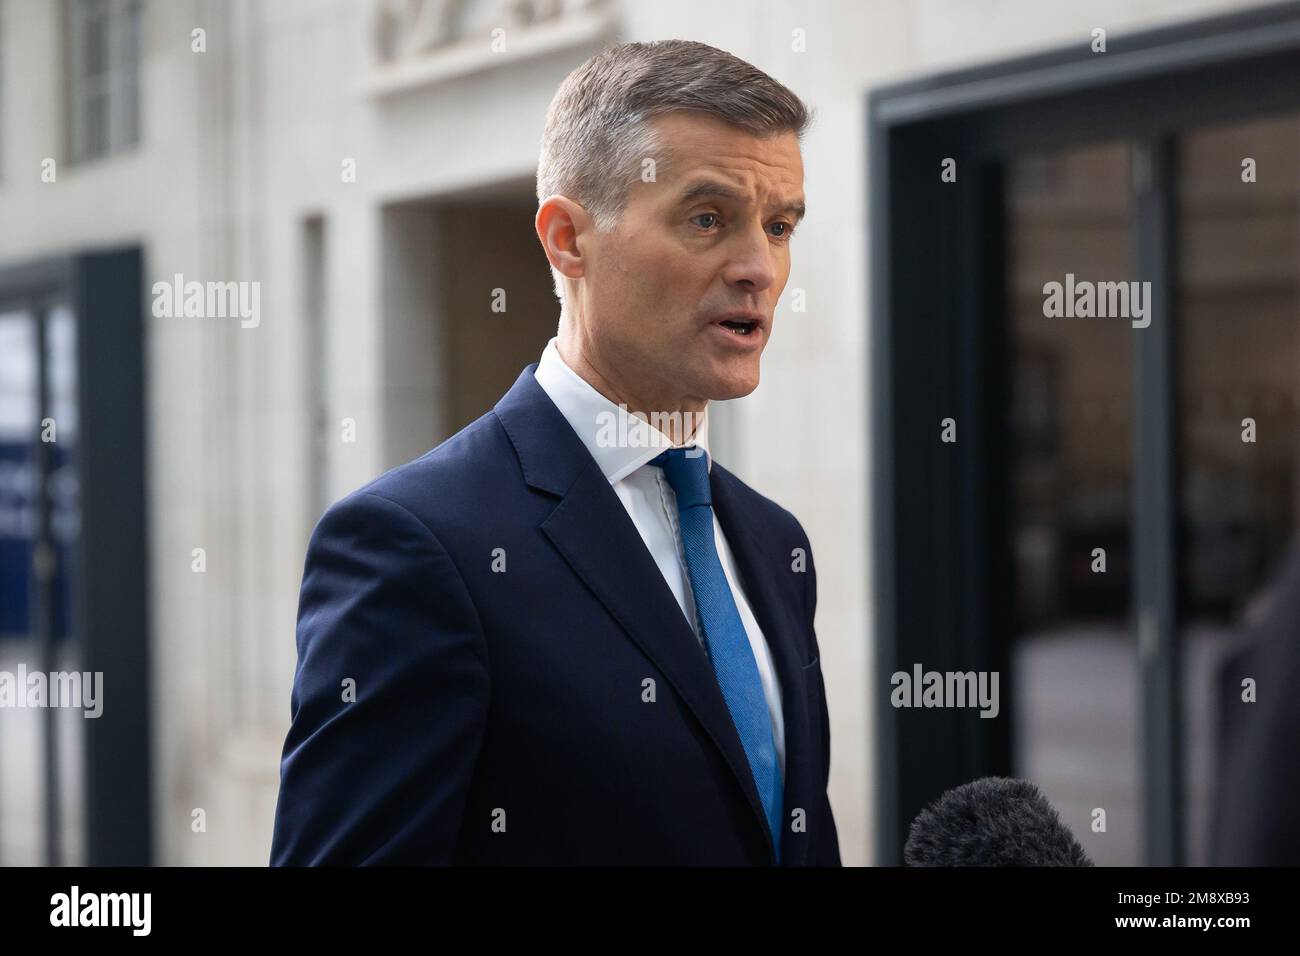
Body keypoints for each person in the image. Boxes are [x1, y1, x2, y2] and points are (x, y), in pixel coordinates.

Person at [270, 39, 839, 866]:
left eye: (780, 225)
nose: (758, 266)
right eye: (707, 218)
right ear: (568, 239)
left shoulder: (775, 542)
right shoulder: (414, 547)